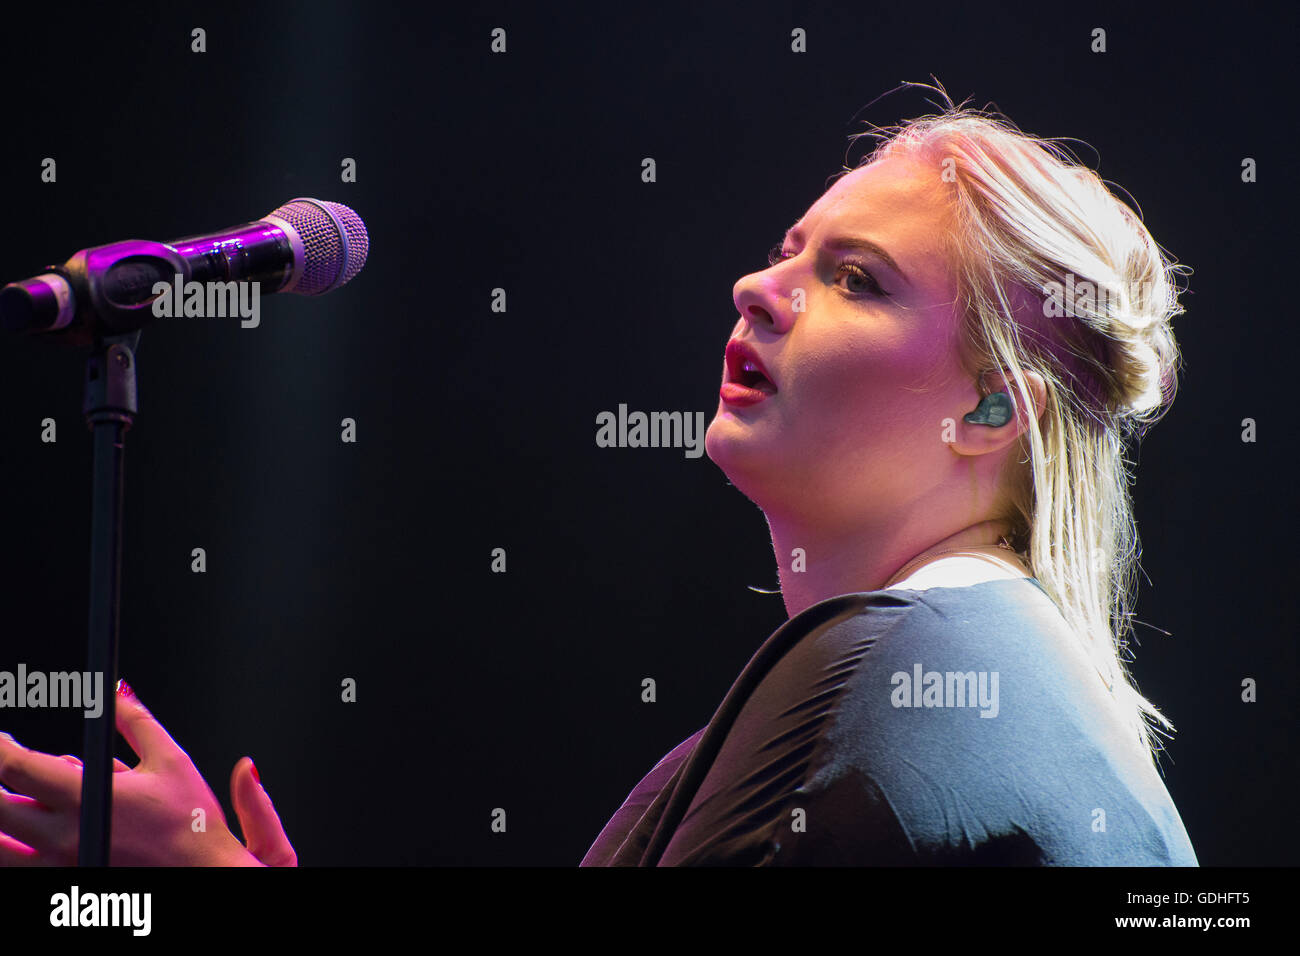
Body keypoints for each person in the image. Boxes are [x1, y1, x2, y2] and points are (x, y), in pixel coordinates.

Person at [0, 96, 1197, 866]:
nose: (757, 285)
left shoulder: (888, 667)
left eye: (856, 278)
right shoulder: (991, 673)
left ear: (990, 408)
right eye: (789, 250)